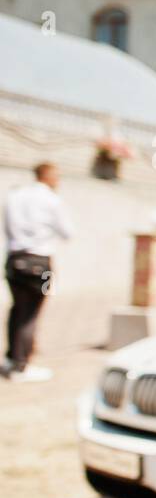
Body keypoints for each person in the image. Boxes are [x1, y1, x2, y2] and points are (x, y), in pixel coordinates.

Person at [4, 162, 72, 382]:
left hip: (14, 262)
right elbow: (67, 232)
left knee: (17, 309)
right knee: (33, 312)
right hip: (41, 265)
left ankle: (12, 356)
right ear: (49, 176)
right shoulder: (52, 200)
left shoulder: (15, 196)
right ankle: (22, 364)